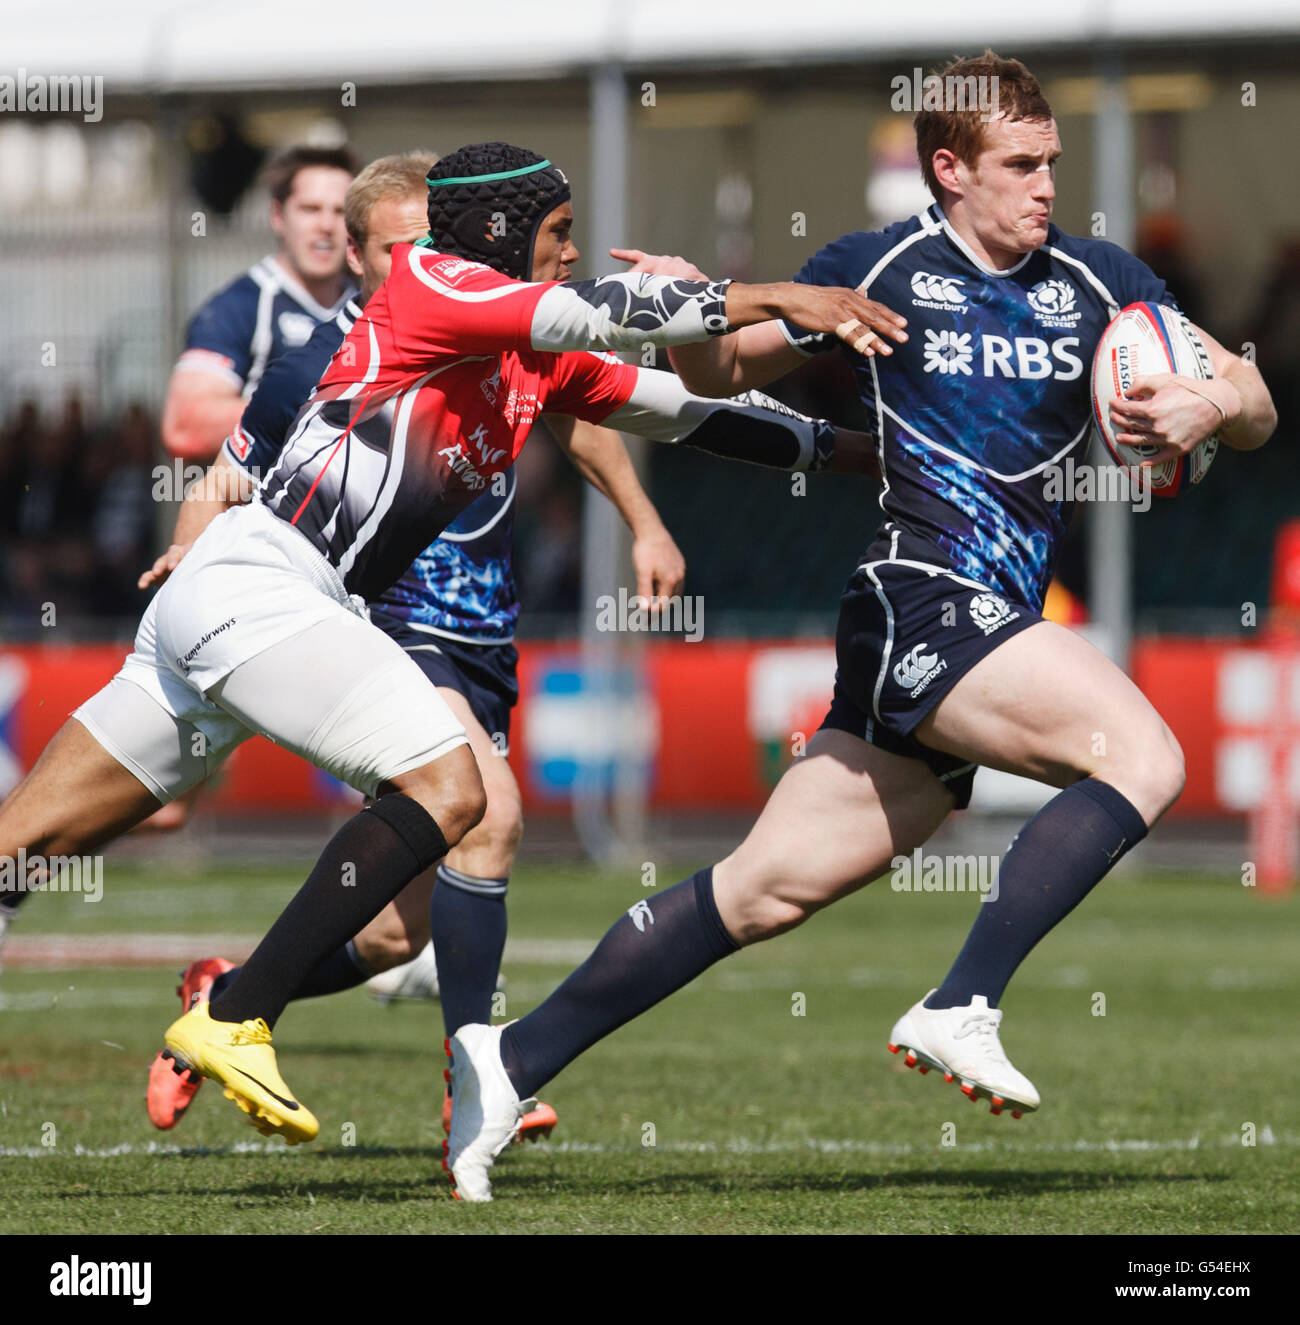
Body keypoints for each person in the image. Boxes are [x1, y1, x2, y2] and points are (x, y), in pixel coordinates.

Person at [441, 54, 1277, 1202]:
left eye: (1052, 164)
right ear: (948, 170)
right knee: (1143, 754)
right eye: (1020, 167)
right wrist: (694, 306)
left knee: (760, 890)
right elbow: (725, 366)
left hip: (990, 615)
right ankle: (963, 999)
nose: (1045, 189)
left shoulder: (1100, 281)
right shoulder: (879, 268)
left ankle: (507, 1054)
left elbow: (1254, 400)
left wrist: (1212, 399)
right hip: (917, 597)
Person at [0, 139, 903, 1153]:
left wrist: (861, 455)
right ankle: (233, 1013)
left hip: (250, 603)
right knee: (452, 790)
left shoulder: (528, 355)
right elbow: (599, 309)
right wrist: (787, 297)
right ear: (505, 233)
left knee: (22, 844)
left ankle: (234, 1003)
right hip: (267, 586)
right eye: (557, 233)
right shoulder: (433, 279)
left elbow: (687, 414)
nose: (567, 252)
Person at [139, 149, 687, 1148]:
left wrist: (645, 521)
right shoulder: (324, 358)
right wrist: (185, 556)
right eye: (403, 249)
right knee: (492, 820)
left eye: (433, 244)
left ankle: (229, 993)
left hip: (486, 627)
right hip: (388, 621)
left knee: (401, 927)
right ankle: (478, 1076)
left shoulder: (496, 328)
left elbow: (583, 409)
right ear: (357, 255)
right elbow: (228, 467)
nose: (427, 264)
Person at [160, 145, 359, 463]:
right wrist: (319, 408)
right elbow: (184, 427)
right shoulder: (240, 306)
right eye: (310, 209)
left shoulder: (372, 306)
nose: (326, 225)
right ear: (278, 216)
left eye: (340, 212)